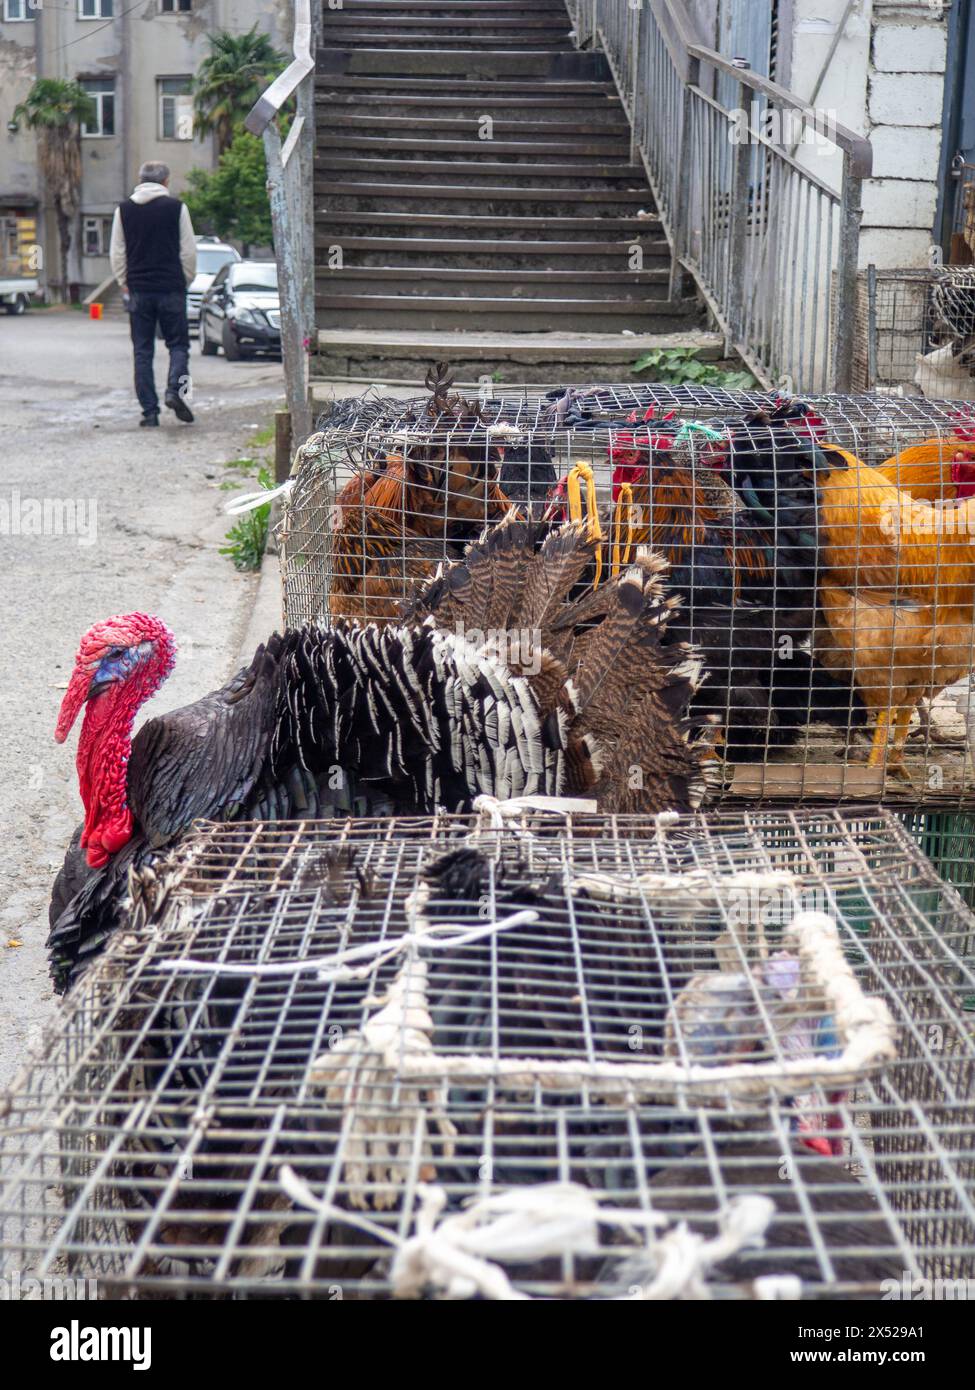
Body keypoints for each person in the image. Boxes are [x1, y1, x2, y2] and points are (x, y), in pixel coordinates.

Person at [109, 161, 197, 428]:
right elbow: (188, 250)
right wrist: (185, 280)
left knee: (142, 351)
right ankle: (175, 391)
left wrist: (125, 281)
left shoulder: (123, 210)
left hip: (139, 291)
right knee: (179, 346)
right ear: (166, 182)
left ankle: (149, 411)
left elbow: (117, 251)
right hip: (171, 288)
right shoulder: (177, 208)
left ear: (140, 180)